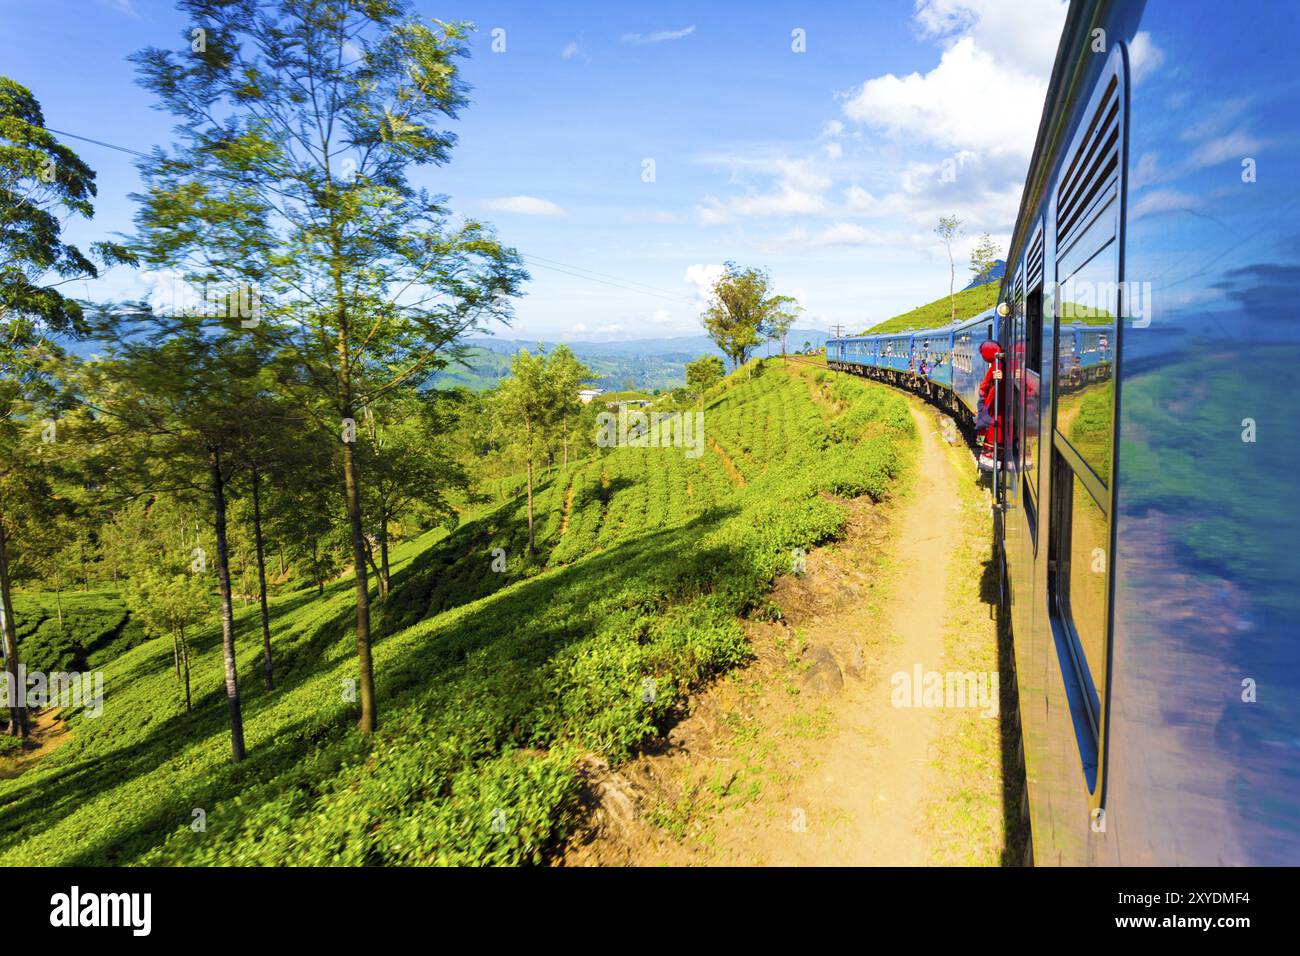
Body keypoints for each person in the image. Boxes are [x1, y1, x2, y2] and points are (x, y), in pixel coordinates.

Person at [976, 340, 1002, 472]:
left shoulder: (995, 366)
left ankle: (989, 465)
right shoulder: (1001, 364)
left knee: (986, 430)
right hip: (997, 408)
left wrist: (982, 393)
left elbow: (984, 386)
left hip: (993, 409)